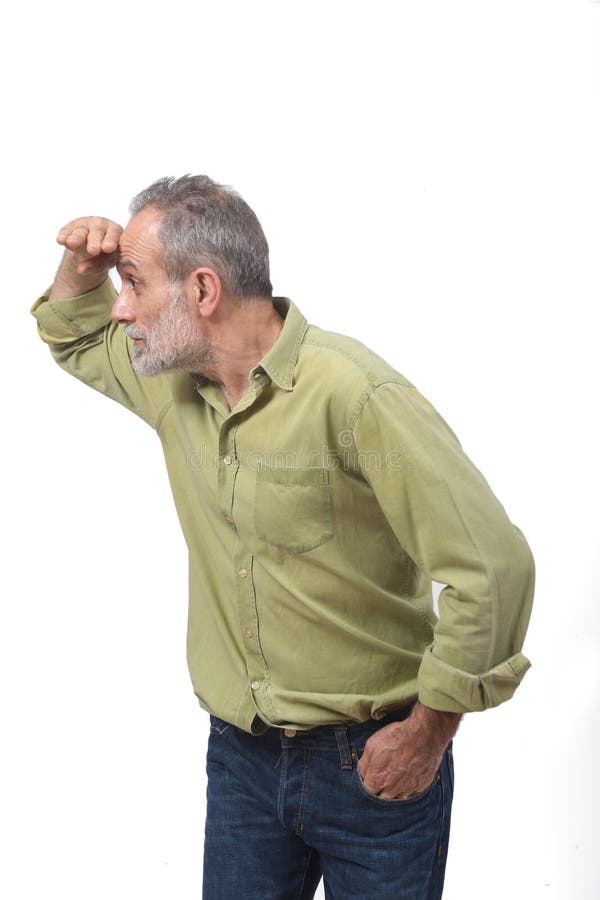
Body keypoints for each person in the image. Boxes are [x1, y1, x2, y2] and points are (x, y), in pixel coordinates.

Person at [32, 175, 535, 899]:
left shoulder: (356, 395)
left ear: (202, 290)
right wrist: (77, 269)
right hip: (240, 763)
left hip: (373, 769)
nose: (121, 309)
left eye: (134, 284)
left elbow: (493, 567)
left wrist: (427, 734)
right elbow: (74, 333)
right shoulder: (174, 380)